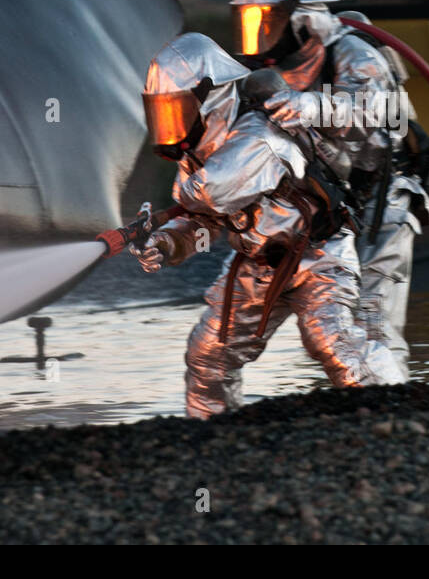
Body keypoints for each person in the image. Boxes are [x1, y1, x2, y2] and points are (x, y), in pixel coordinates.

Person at [133, 32, 404, 418]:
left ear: (211, 96)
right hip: (256, 264)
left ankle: (397, 417)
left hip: (317, 256)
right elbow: (202, 222)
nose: (171, 124)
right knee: (208, 357)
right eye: (163, 113)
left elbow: (212, 194)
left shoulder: (257, 135)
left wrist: (169, 213)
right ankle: (210, 437)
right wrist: (165, 244)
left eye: (176, 110)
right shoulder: (197, 155)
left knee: (335, 343)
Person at [229, 0, 429, 379]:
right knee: (332, 325)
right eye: (250, 24)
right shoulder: (276, 70)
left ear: (300, 16)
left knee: (372, 320)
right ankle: (364, 403)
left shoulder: (355, 54)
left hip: (384, 200)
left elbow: (375, 111)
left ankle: (395, 412)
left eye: (265, 22)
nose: (259, 37)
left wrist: (303, 106)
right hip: (334, 206)